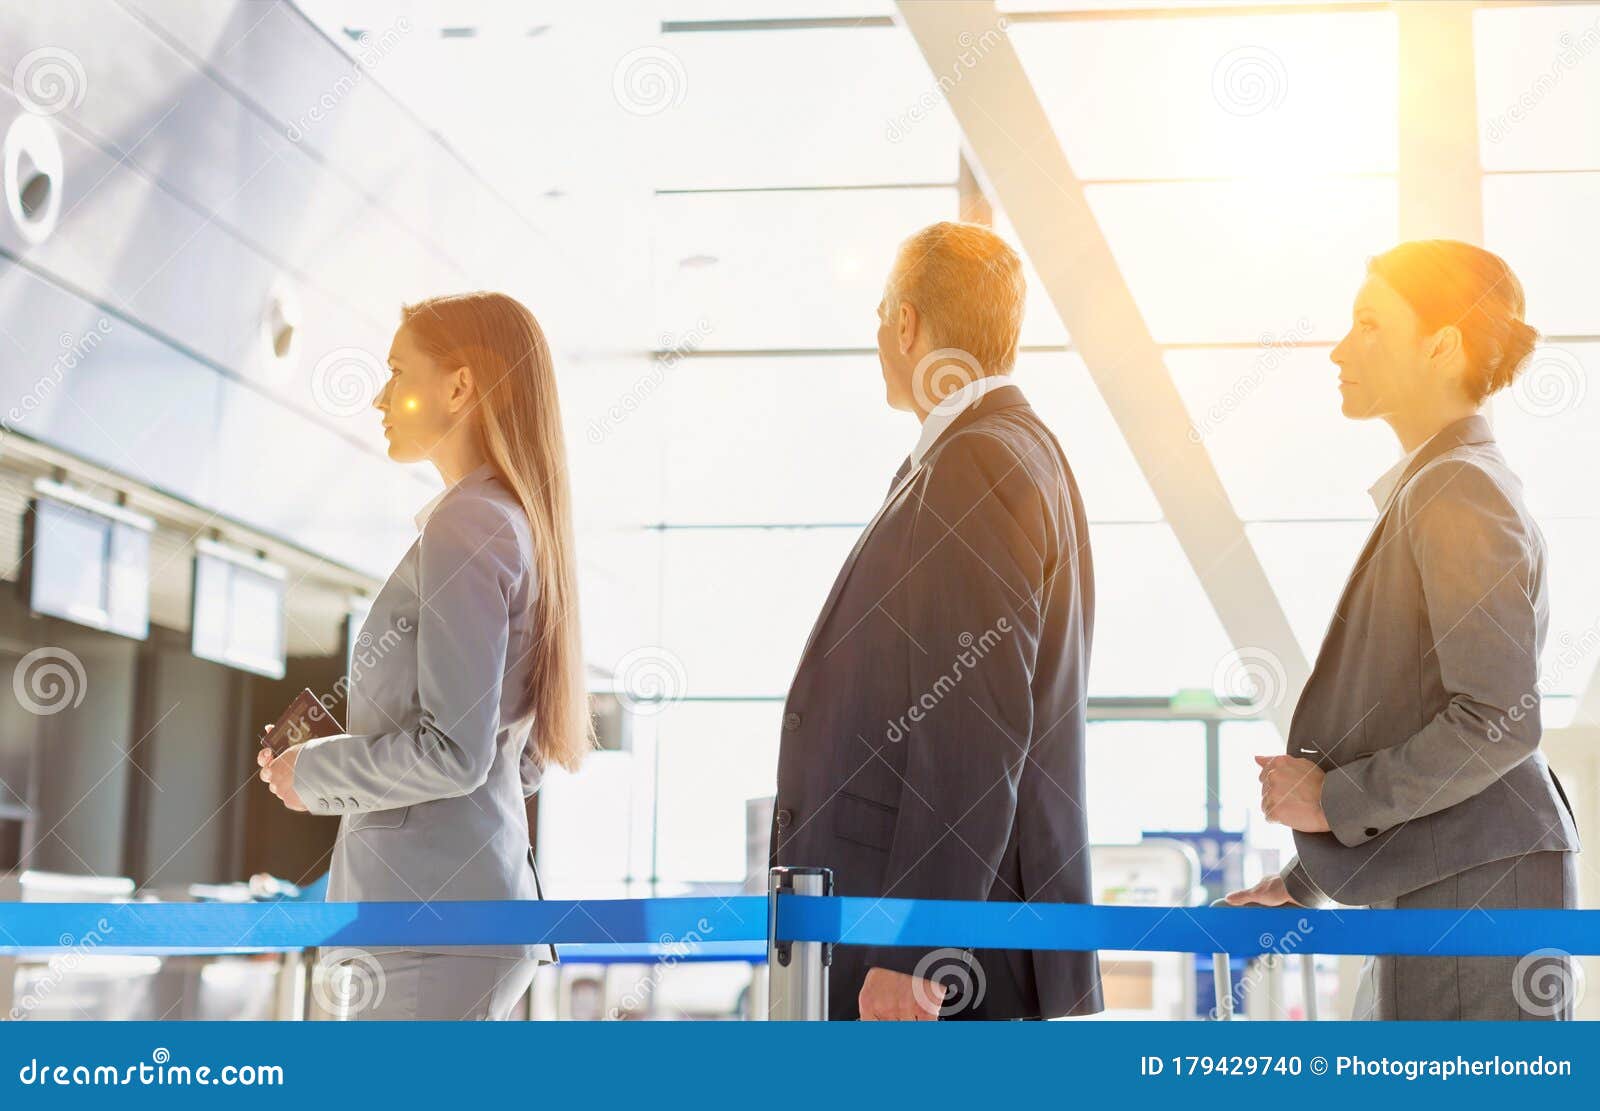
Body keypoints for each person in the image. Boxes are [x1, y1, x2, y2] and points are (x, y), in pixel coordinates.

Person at [1224, 240, 1582, 1020]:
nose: (1339, 349)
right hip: (1458, 880)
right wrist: (1302, 882)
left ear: (1442, 344)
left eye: (1369, 325)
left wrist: (1334, 800)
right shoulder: (1443, 481)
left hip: (1477, 889)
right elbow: (1421, 718)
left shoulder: (1457, 488)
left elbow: (1497, 721)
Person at [770, 221, 1102, 1021]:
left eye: (885, 309)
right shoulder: (1012, 451)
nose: (881, 330)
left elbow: (974, 729)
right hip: (964, 947)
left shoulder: (975, 463)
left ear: (909, 322)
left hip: (945, 965)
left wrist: (919, 949)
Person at [258, 292, 593, 1020]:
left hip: (430, 929)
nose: (381, 396)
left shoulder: (469, 522)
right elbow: (513, 758)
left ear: (460, 385)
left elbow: (452, 752)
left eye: (398, 371)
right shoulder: (506, 519)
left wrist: (312, 772)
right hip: (454, 920)